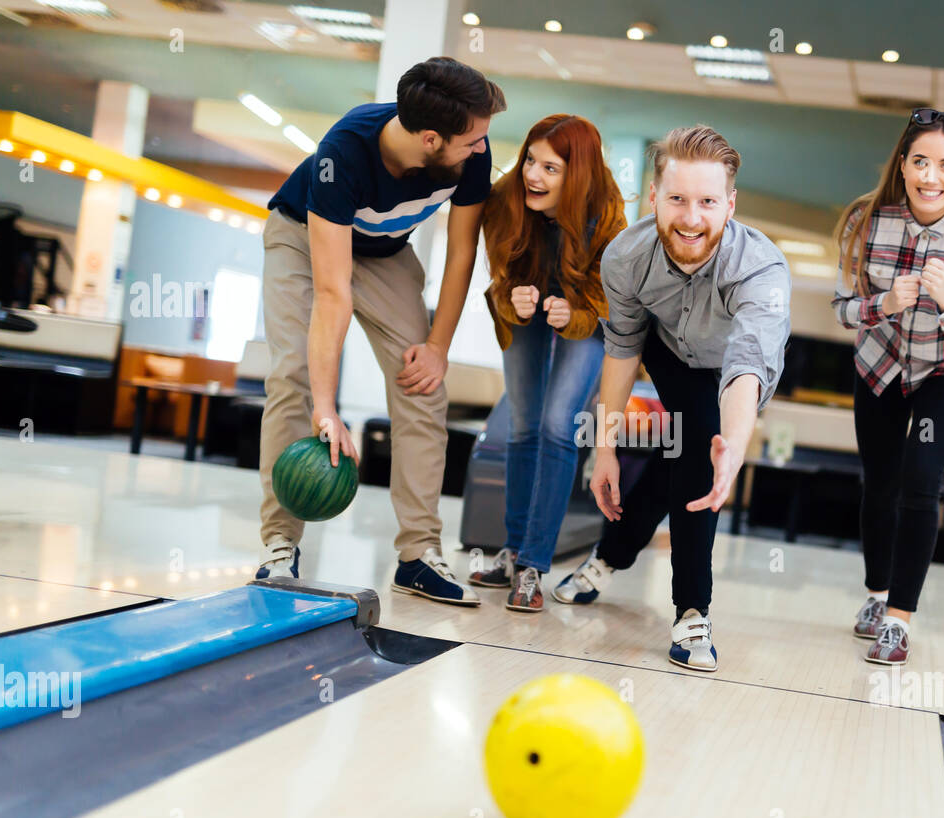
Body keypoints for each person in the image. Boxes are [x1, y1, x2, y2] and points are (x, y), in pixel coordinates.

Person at [256, 56, 505, 609]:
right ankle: (279, 545)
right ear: (431, 139)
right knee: (292, 378)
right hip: (306, 241)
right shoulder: (342, 155)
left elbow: (463, 251)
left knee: (423, 385)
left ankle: (418, 555)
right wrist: (326, 405)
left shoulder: (473, 151)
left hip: (386, 253)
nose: (482, 150)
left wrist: (438, 347)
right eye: (469, 142)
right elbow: (332, 292)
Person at [551, 125, 791, 672]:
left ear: (730, 205)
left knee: (686, 459)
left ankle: (673, 601)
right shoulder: (625, 258)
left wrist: (731, 446)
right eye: (677, 199)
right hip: (668, 351)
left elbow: (746, 367)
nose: (690, 217)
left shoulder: (761, 269)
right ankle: (678, 600)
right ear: (653, 197)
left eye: (707, 201)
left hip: (732, 371)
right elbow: (621, 352)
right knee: (689, 457)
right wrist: (604, 449)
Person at [832, 108, 944, 666]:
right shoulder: (865, 221)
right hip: (880, 362)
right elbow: (841, 310)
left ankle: (898, 620)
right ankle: (875, 595)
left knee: (920, 479)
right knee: (880, 481)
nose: (930, 177)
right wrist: (882, 304)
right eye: (920, 162)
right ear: (904, 165)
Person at [470, 115, 627, 612]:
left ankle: (534, 566)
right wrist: (511, 299)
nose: (533, 176)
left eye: (551, 169)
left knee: (559, 426)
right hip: (526, 299)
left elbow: (608, 301)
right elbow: (498, 278)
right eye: (530, 162)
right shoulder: (503, 201)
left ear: (576, 174)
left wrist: (574, 315)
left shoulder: (608, 214)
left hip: (585, 307)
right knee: (523, 424)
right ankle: (512, 551)